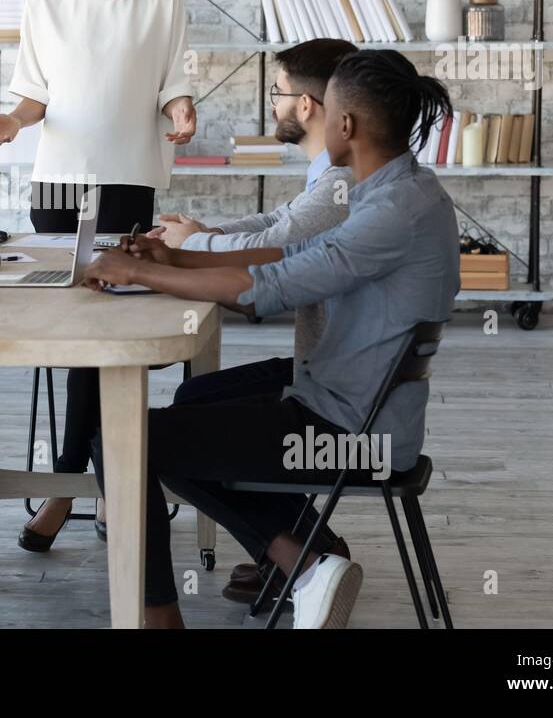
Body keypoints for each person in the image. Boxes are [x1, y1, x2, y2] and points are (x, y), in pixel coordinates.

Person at [84, 50, 461, 628]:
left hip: (352, 438)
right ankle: (306, 565)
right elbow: (296, 253)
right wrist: (173, 255)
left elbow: (272, 287)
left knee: (124, 440)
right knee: (177, 418)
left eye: (325, 109)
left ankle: (159, 617)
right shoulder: (403, 190)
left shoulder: (392, 210)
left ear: (345, 125)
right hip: (358, 413)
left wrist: (140, 273)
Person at [0, 0, 196, 551]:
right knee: (80, 344)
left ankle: (72, 493)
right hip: (59, 189)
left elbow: (172, 91)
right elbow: (35, 96)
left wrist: (183, 111)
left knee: (104, 347)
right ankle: (105, 493)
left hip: (129, 184)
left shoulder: (161, 4)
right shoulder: (44, 2)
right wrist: (13, 122)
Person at [153, 38, 358, 604]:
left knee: (143, 438)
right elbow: (279, 221)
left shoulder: (344, 185)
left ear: (307, 106)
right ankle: (311, 548)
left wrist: (194, 244)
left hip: (338, 400)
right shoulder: (334, 176)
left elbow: (278, 245)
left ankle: (298, 559)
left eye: (278, 92)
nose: (273, 103)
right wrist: (201, 234)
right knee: (193, 401)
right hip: (337, 374)